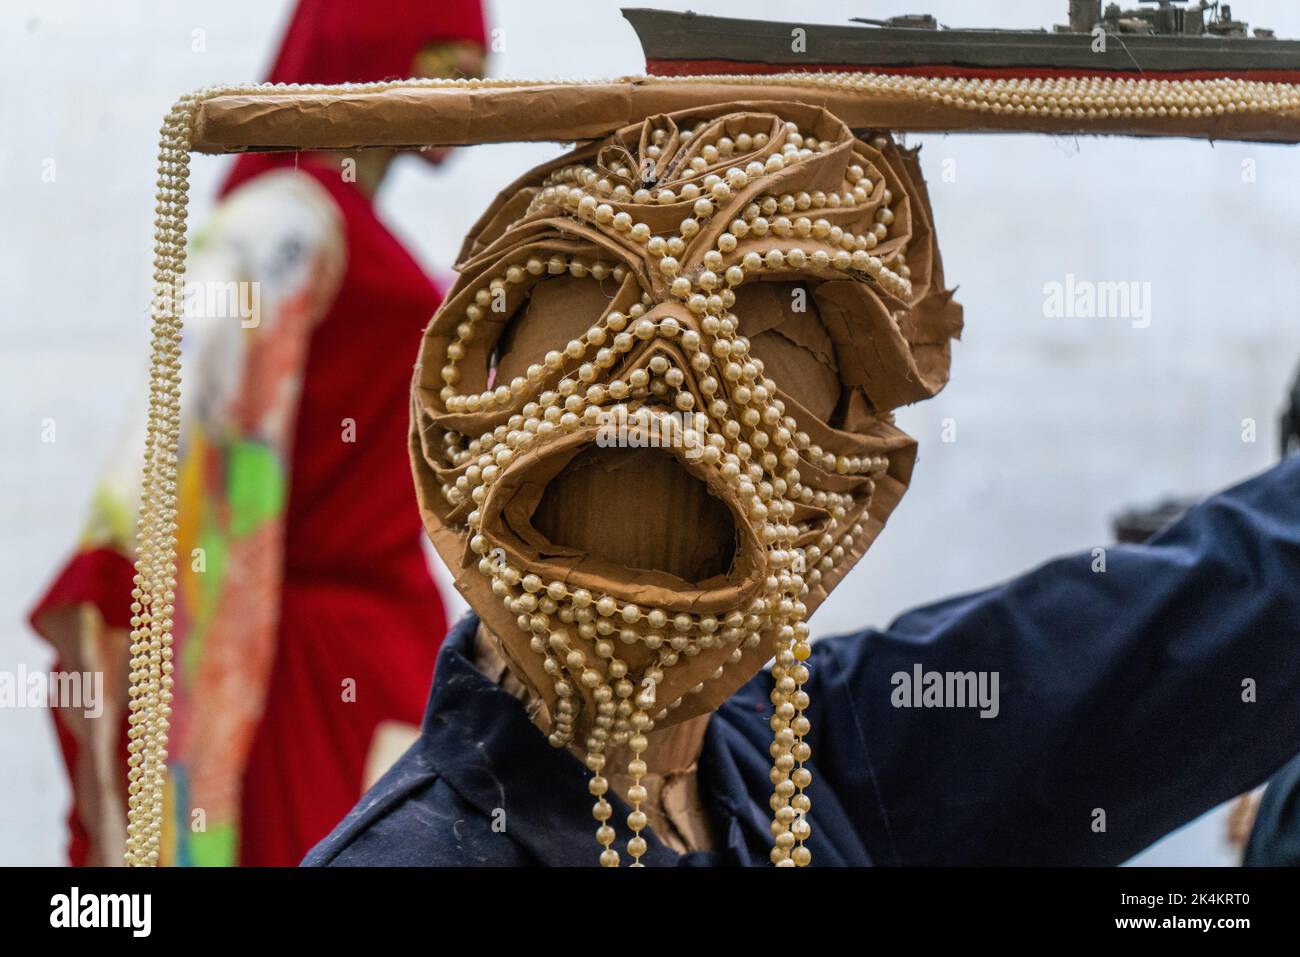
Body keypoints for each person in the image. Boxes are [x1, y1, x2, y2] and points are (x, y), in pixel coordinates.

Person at [303, 101, 1300, 867]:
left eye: (749, 383)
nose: (664, 370)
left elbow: (1154, 640)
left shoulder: (792, 768)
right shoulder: (424, 852)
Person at [29, 0, 487, 866]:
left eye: (479, 59)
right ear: (363, 38)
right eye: (445, 49)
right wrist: (131, 579)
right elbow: (187, 429)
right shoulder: (281, 220)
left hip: (379, 658)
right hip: (296, 675)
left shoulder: (350, 225)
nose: (475, 73)